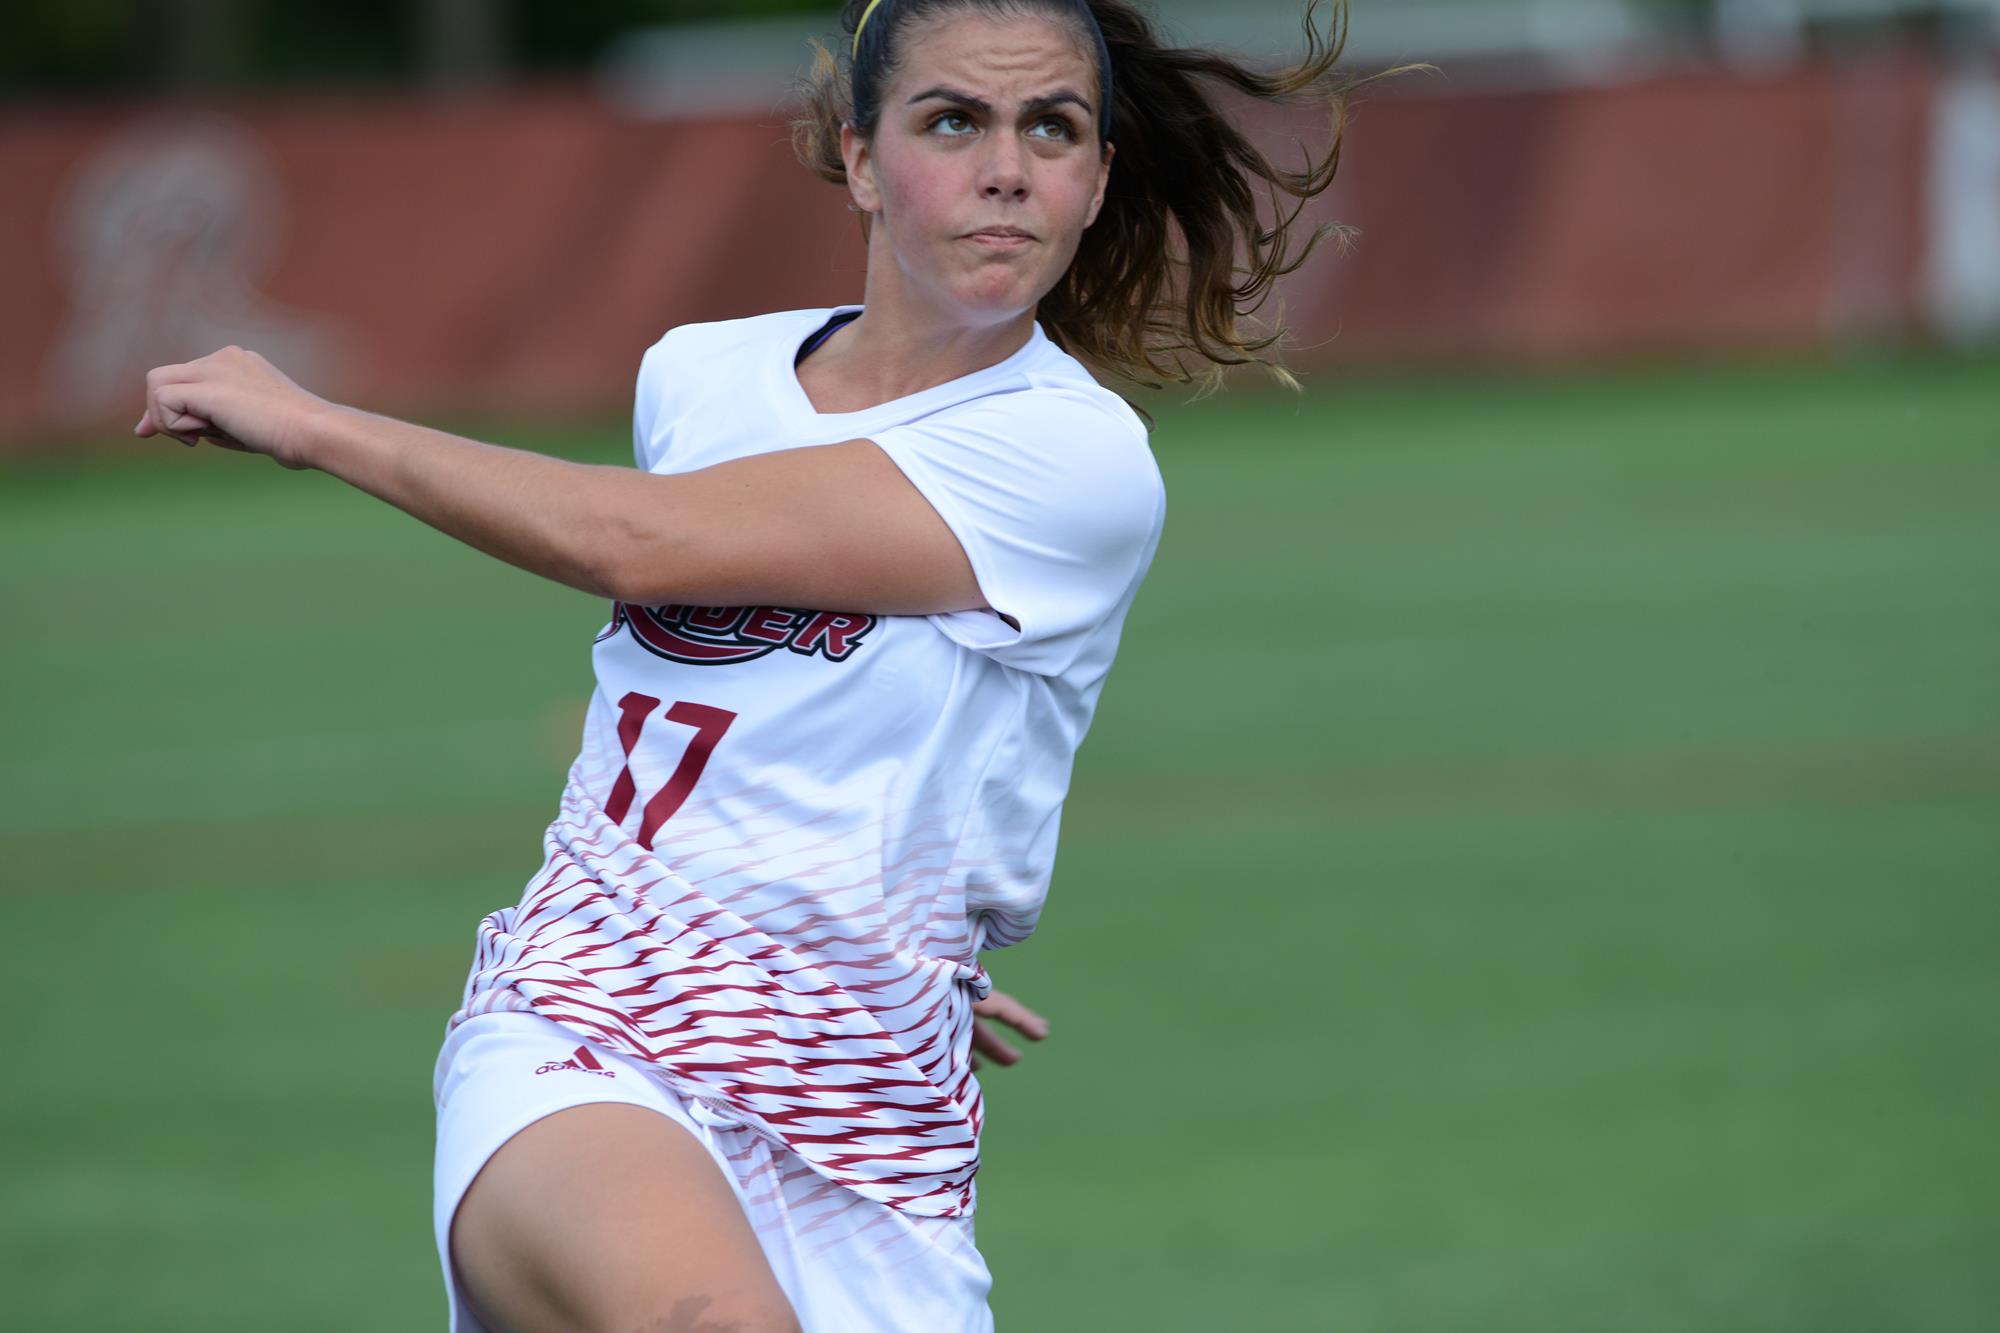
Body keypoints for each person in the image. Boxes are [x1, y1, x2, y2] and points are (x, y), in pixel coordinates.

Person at [134, 1, 1359, 1328]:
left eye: (1051, 128)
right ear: (864, 161)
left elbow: (642, 542)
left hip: (866, 1125)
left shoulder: (1073, 458)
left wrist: (866, 925)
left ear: (1096, 178)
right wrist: (314, 428)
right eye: (953, 121)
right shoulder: (702, 378)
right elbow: (694, 636)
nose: (1006, 165)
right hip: (585, 1018)